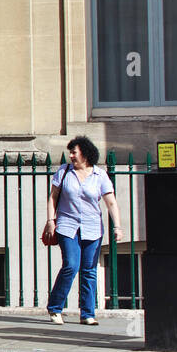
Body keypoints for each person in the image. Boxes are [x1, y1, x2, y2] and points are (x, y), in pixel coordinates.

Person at [44, 136, 126, 326]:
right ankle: (55, 307)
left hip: (92, 227)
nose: (71, 156)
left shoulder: (100, 175)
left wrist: (118, 226)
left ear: (85, 154)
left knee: (89, 270)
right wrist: (50, 221)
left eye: (74, 152)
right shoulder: (64, 172)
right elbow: (53, 198)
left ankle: (87, 313)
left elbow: (111, 202)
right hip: (67, 225)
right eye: (70, 152)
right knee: (71, 265)